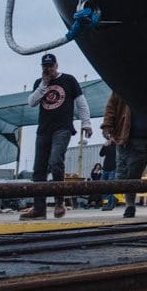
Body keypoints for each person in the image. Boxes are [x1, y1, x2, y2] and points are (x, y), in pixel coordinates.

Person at [19, 53, 92, 220]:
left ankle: (60, 201)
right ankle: (39, 208)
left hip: (63, 128)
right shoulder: (40, 83)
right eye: (45, 67)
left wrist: (85, 123)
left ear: (56, 65)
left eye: (51, 66)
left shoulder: (69, 80)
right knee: (39, 169)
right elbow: (31, 102)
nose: (48, 69)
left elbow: (81, 103)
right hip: (44, 129)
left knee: (55, 161)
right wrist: (44, 84)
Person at [99, 137, 118, 210]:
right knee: (103, 187)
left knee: (110, 187)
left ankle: (110, 204)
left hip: (113, 169)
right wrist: (104, 146)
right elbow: (101, 154)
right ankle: (105, 203)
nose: (111, 138)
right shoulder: (107, 145)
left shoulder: (117, 146)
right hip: (105, 169)